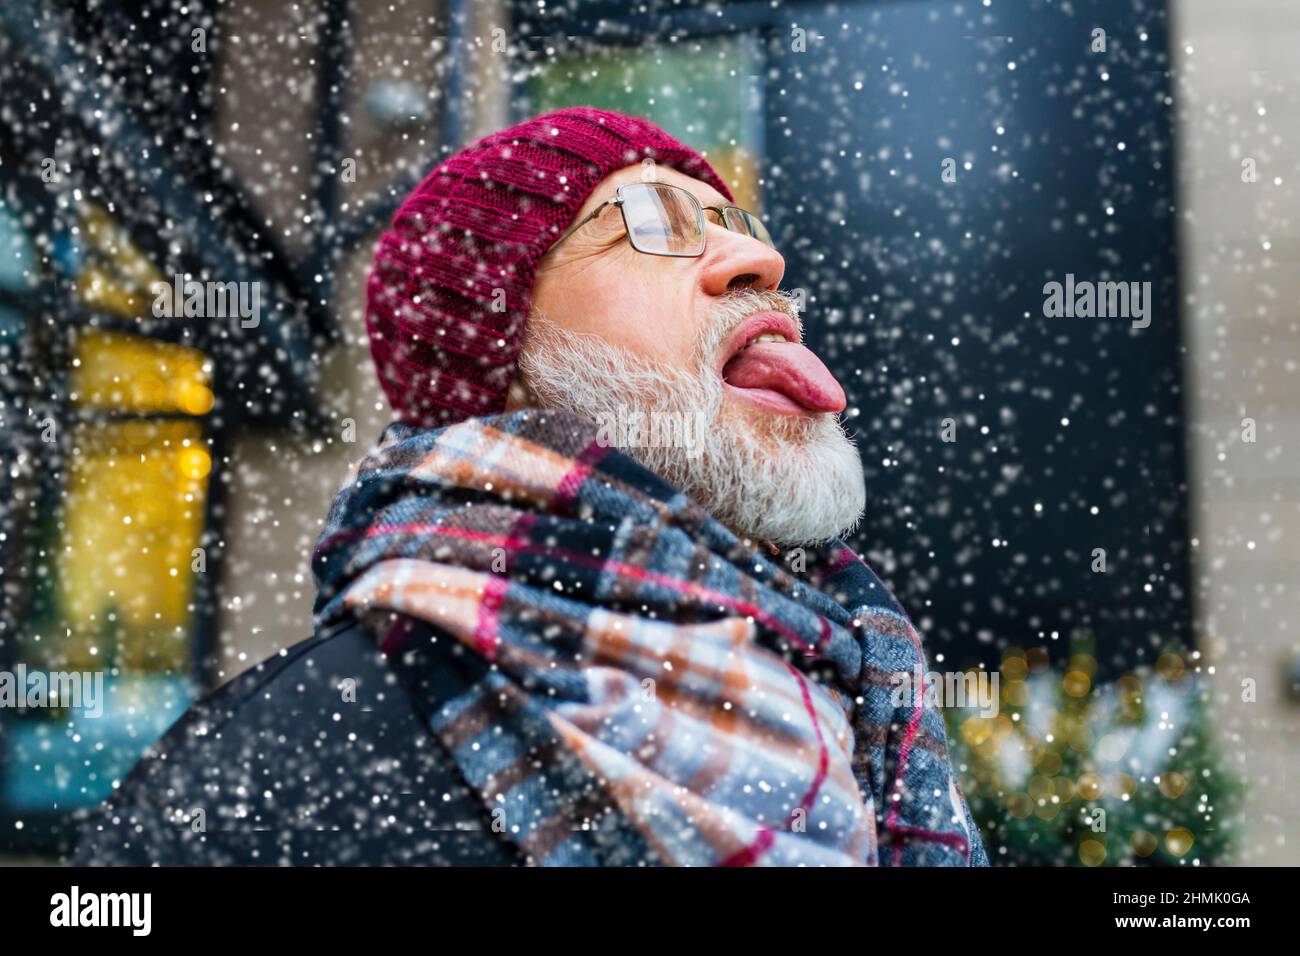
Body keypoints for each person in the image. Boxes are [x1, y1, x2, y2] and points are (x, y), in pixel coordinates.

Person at [75, 107, 987, 867]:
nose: (763, 266)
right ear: (506, 359)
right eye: (660, 224)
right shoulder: (276, 776)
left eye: (741, 226)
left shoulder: (865, 689)